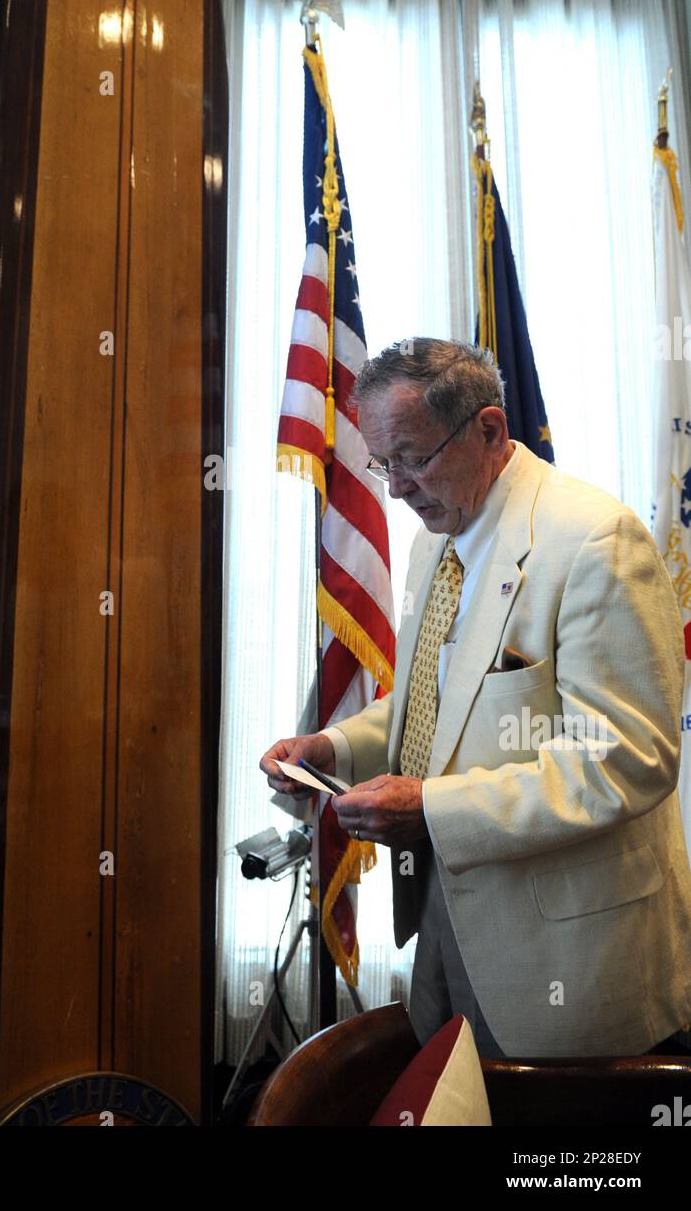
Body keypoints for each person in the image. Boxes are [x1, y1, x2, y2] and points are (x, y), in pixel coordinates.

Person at [261, 337, 691, 1057]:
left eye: (411, 458)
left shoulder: (593, 541)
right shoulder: (443, 530)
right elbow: (441, 705)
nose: (394, 487)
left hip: (570, 957)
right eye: (380, 461)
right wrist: (335, 746)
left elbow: (626, 760)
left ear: (488, 429)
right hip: (446, 924)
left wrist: (430, 807)